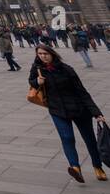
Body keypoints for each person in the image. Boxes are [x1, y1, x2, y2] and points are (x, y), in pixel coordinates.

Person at [30, 44, 106, 182]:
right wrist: (37, 81)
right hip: (57, 110)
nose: (42, 56)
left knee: (90, 140)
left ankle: (98, 166)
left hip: (79, 109)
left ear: (52, 54)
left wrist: (96, 112)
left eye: (45, 53)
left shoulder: (67, 70)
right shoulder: (37, 69)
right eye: (40, 54)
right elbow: (31, 82)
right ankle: (75, 167)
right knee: (67, 138)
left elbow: (82, 92)